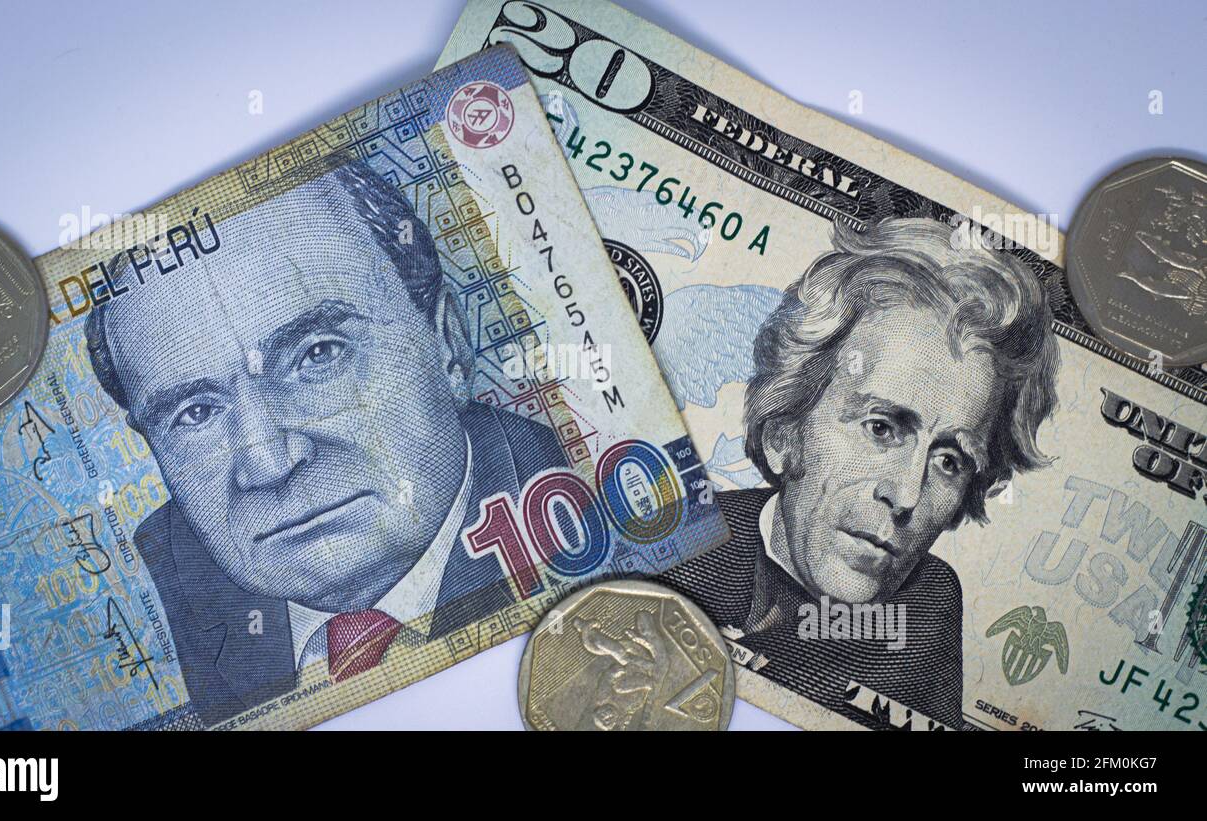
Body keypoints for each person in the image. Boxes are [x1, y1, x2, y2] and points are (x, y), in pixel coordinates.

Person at [86, 156, 565, 724]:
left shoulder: (586, 503)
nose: (268, 462)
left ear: (447, 345)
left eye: (319, 354)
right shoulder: (177, 611)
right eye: (197, 412)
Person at [660, 217, 1060, 729]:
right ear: (785, 433)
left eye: (948, 461)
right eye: (881, 427)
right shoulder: (675, 548)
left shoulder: (926, 610)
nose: (906, 494)